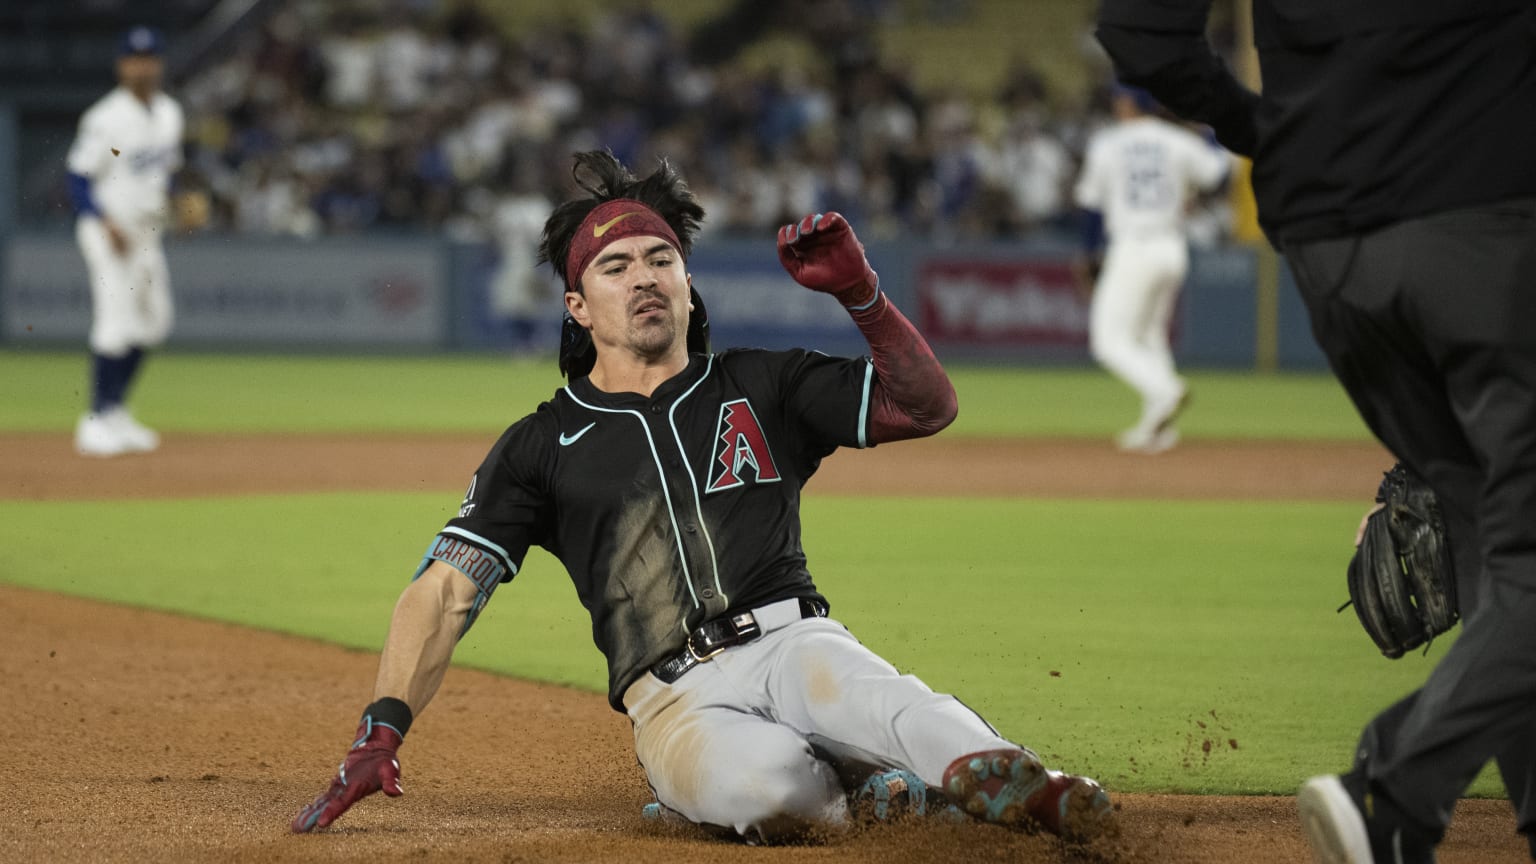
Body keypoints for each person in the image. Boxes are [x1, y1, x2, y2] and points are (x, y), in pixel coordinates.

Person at [290, 151, 1119, 844]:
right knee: (772, 792)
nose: (643, 277)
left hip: (796, 642)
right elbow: (444, 591)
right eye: (614, 267)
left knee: (893, 703)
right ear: (578, 306)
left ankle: (1032, 789)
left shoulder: (765, 383)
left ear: (689, 283)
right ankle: (845, 791)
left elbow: (926, 407)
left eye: (661, 259)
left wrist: (861, 294)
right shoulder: (541, 444)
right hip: (675, 697)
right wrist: (381, 728)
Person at [1095, 1, 1536, 861]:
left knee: (1490, 527)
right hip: (1487, 212)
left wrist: (1268, 127)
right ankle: (1392, 792)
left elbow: (1136, 33)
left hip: (1326, 236)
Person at [1073, 85, 1230, 453]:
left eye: (1119, 99)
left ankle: (1165, 389)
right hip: (1171, 247)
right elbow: (1218, 174)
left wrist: (1087, 254)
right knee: (1150, 335)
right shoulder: (1178, 141)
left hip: (1133, 246)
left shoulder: (1108, 143)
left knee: (1108, 342)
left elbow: (1092, 208)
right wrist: (1208, 132)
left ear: (1128, 104)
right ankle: (1156, 431)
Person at [65, 26, 184, 457]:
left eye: (150, 57)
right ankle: (94, 419)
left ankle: (115, 411)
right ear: (121, 65)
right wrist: (103, 221)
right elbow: (77, 178)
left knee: (155, 324)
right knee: (116, 323)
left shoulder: (170, 112)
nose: (143, 65)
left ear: (160, 63)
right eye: (135, 58)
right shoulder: (105, 117)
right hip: (109, 231)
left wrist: (177, 204)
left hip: (149, 234)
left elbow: (165, 172)